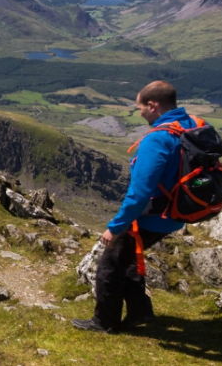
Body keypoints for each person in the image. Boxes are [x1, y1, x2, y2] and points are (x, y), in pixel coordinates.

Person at [73, 81, 191, 333]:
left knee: (109, 265)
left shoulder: (158, 139)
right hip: (176, 212)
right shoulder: (190, 125)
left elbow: (140, 193)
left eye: (140, 108)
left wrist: (115, 227)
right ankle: (139, 312)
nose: (139, 113)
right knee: (126, 260)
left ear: (153, 105)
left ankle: (105, 322)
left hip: (153, 216)